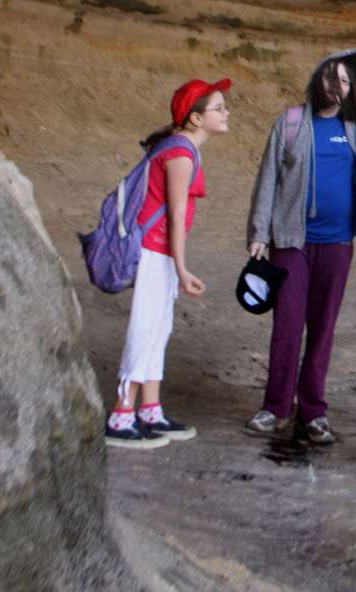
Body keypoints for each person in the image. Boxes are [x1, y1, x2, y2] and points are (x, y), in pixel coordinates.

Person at [241, 36, 356, 442]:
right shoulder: (292, 122)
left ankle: (312, 412)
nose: (335, 86)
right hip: (291, 241)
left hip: (338, 242)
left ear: (352, 88)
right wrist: (259, 233)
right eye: (329, 78)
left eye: (344, 81)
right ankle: (275, 407)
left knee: (323, 327)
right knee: (287, 325)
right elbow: (268, 179)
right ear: (317, 80)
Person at [108, 76, 231, 449]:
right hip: (154, 250)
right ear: (196, 118)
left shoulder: (182, 147)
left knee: (159, 328)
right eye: (219, 108)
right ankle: (121, 414)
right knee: (145, 327)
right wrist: (181, 268)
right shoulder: (179, 153)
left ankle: (150, 410)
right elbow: (175, 214)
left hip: (159, 251)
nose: (226, 113)